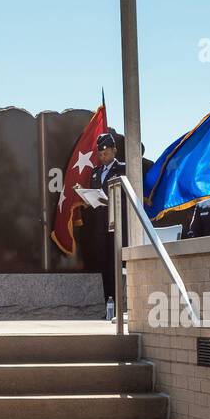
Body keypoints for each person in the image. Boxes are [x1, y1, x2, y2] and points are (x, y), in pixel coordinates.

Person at [87, 131, 126, 321]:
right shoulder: (95, 172)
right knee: (105, 268)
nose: (103, 157)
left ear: (114, 151)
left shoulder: (123, 169)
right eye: (100, 154)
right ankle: (108, 305)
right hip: (100, 227)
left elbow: (127, 197)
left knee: (117, 265)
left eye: (107, 153)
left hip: (118, 225)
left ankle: (121, 307)